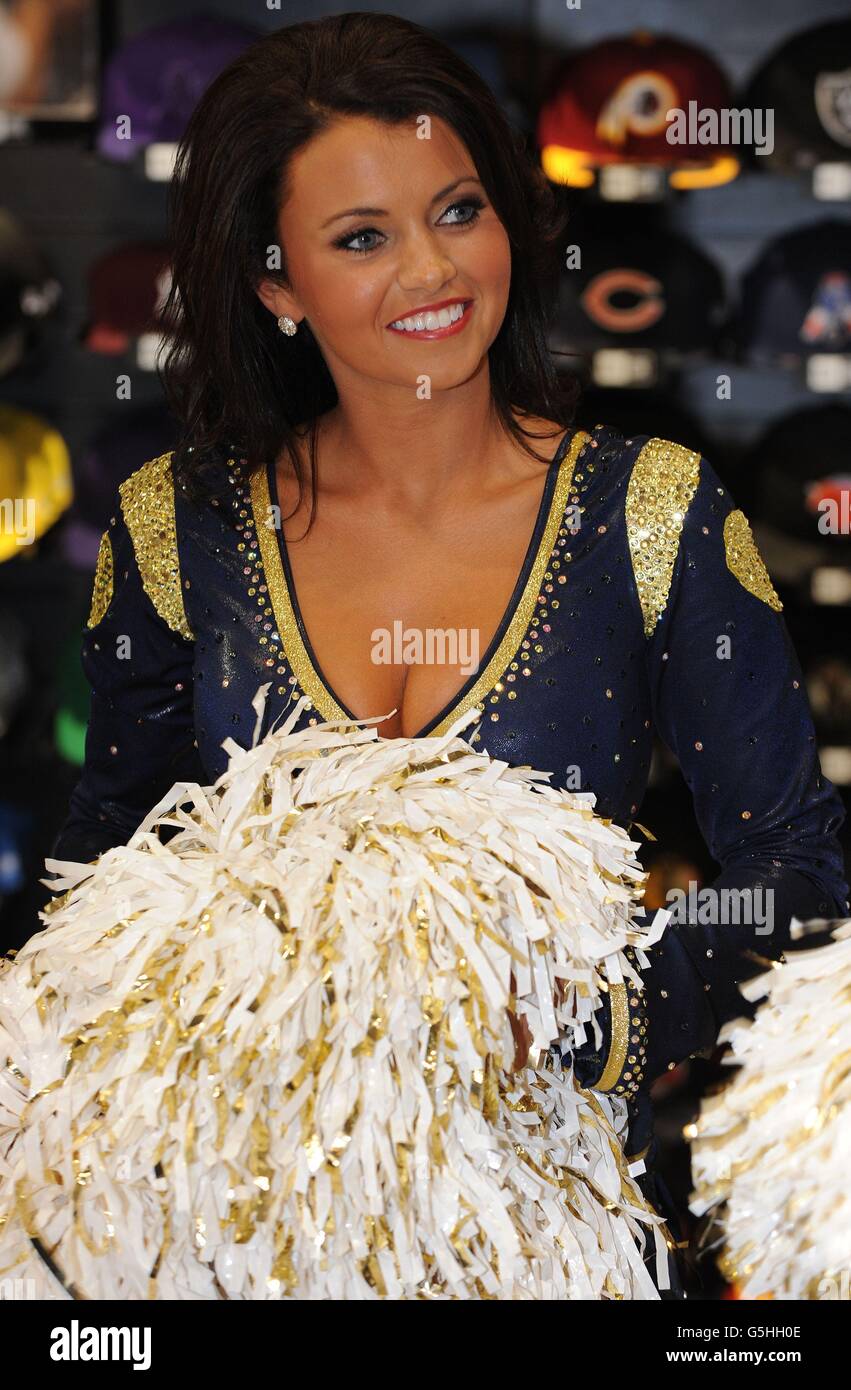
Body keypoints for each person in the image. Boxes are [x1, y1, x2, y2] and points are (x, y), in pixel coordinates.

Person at [50, 14, 848, 1298]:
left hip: (542, 1228)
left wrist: (591, 1021)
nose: (433, 269)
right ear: (275, 286)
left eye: (457, 209)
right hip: (236, 1233)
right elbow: (107, 869)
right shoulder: (175, 526)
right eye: (361, 238)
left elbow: (794, 869)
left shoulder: (647, 510)